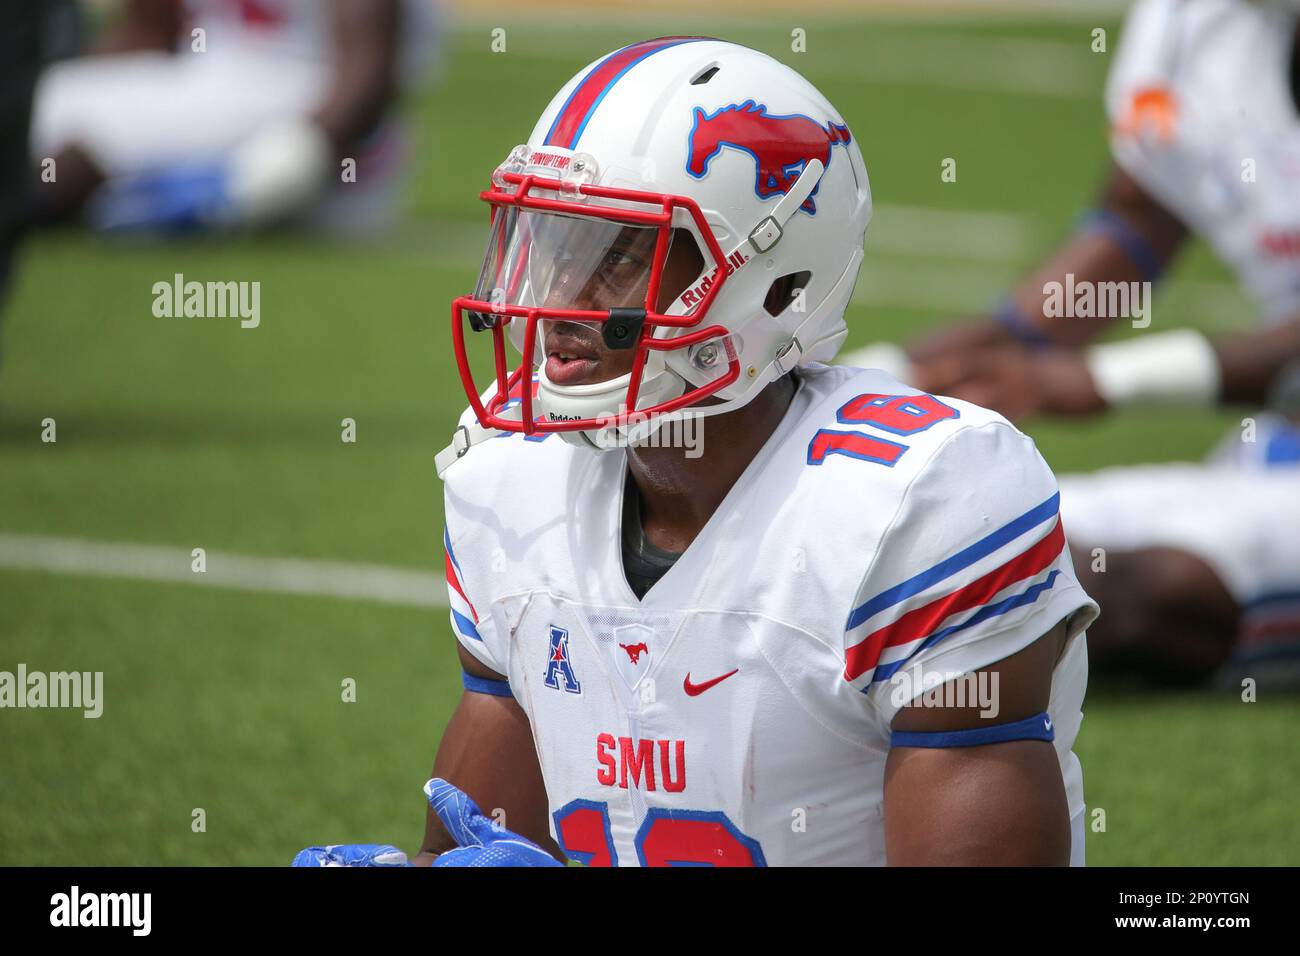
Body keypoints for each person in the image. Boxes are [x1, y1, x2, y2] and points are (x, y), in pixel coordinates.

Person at [295, 36, 1097, 867]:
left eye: (616, 259)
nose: (557, 305)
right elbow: (482, 841)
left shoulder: (924, 502)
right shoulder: (508, 475)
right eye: (548, 245)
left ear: (778, 283)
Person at [848, 0, 1300, 687]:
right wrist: (989, 345)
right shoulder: (1194, 20)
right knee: (972, 542)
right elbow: (1140, 217)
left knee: (1152, 593)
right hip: (1271, 449)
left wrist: (1095, 379)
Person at [28, 0, 438, 233]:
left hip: (302, 93)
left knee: (66, 133)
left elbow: (366, 76)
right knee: (47, 100)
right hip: (206, 78)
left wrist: (269, 173)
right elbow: (147, 34)